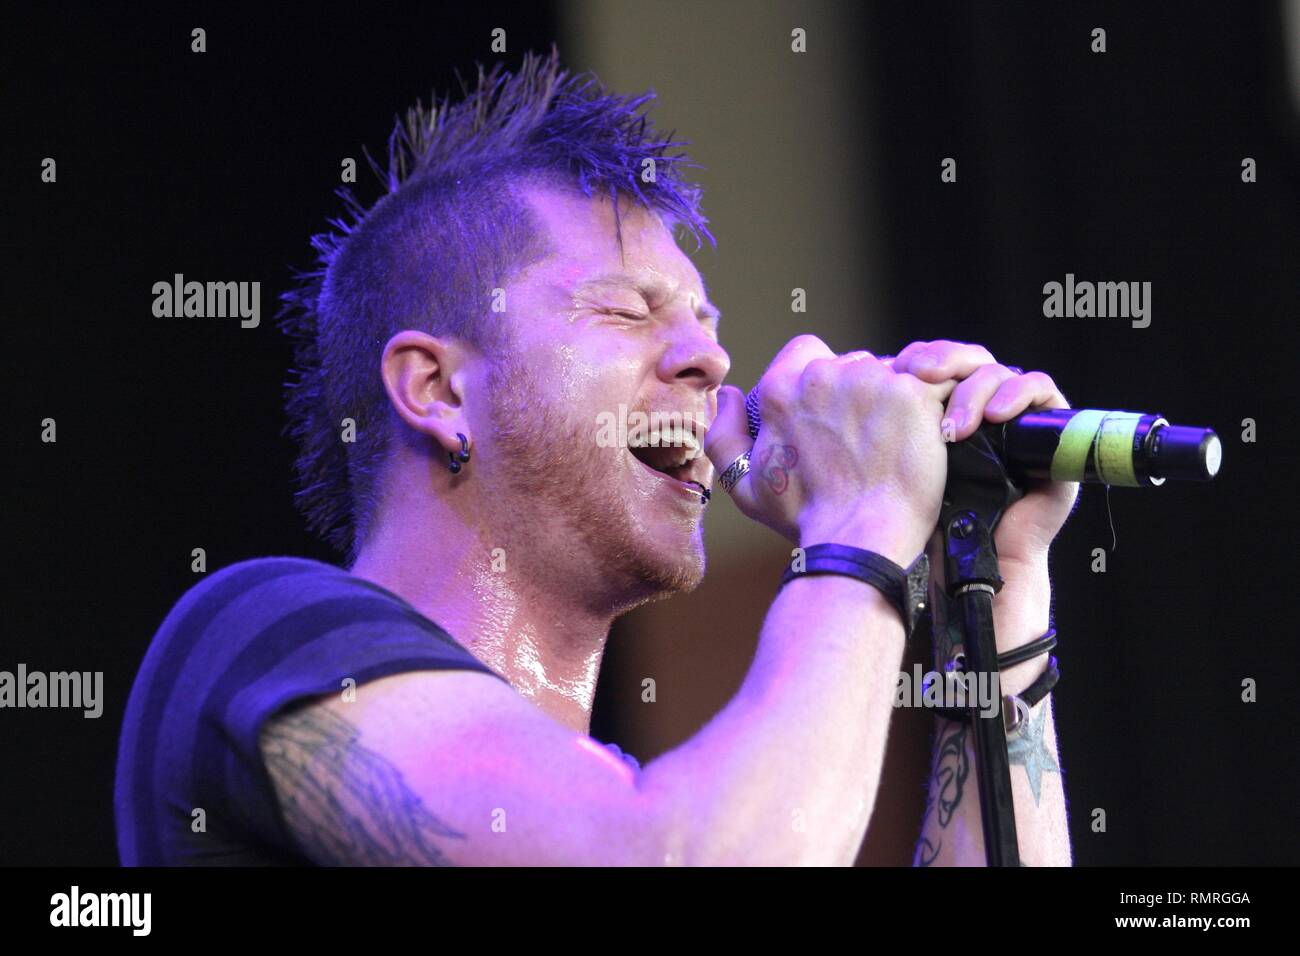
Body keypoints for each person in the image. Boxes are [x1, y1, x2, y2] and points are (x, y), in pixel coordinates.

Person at [114, 49, 1077, 866]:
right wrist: (861, 522)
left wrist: (988, 594)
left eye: (707, 324)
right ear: (439, 391)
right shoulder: (261, 636)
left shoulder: (634, 793)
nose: (710, 359)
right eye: (625, 310)